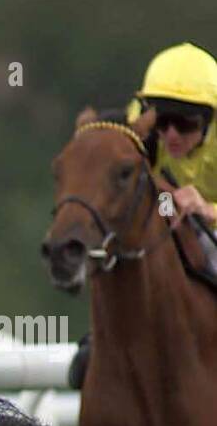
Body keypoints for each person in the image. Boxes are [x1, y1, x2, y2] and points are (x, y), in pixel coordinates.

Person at [69, 41, 217, 389]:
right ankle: (104, 336)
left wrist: (208, 210)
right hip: (175, 217)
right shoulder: (139, 122)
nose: (171, 136)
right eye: (162, 123)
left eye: (185, 124)